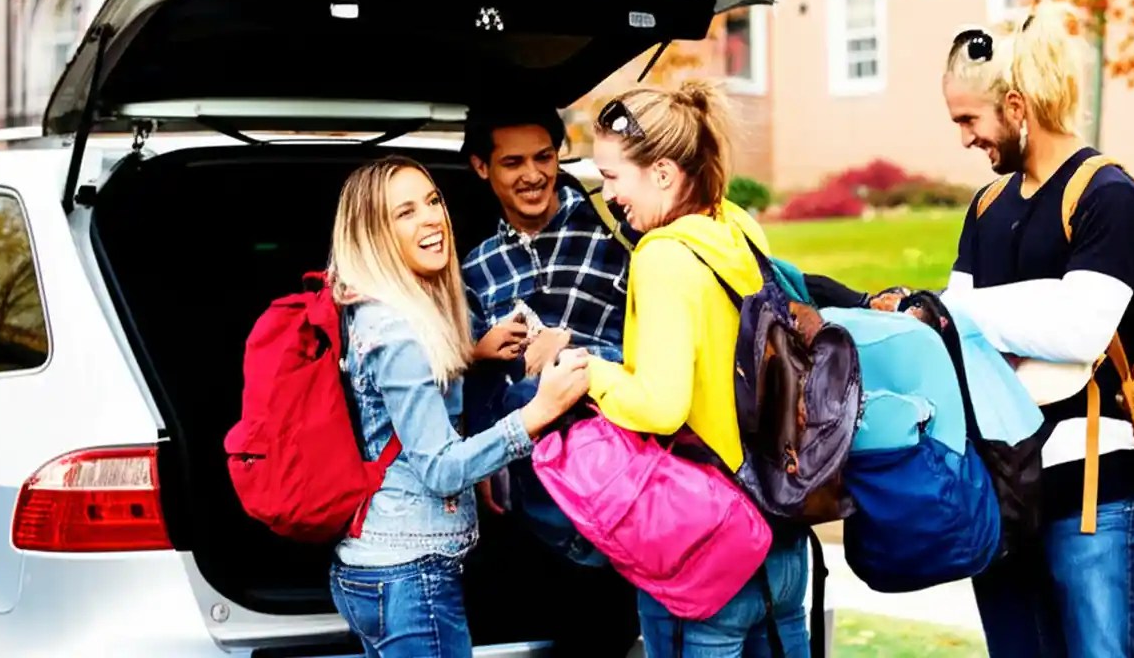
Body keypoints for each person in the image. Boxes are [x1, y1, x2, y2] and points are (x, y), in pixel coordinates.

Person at [939, 1, 1134, 657]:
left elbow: (1080, 330)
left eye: (969, 120)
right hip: (1003, 494)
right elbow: (950, 341)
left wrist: (971, 316)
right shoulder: (986, 209)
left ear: (1014, 106)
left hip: (1093, 492)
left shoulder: (1107, 194)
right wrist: (978, 321)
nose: (965, 139)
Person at [324, 155, 592, 658]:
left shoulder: (374, 311)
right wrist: (539, 411)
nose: (430, 218)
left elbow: (396, 405)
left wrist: (470, 352)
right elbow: (442, 469)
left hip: (380, 565)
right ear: (373, 234)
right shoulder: (399, 331)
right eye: (404, 213)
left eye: (432, 201)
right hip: (409, 572)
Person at [585, 80, 810, 656]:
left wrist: (589, 371)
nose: (608, 195)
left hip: (709, 548)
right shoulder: (736, 228)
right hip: (781, 536)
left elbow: (661, 404)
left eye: (612, 177)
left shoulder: (661, 257)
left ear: (662, 173)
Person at [456, 102, 643, 657]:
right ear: (481, 168)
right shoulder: (472, 267)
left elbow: (650, 353)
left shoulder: (616, 243)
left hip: (607, 488)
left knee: (598, 631)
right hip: (515, 490)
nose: (533, 175)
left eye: (544, 157)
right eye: (513, 162)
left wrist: (575, 351)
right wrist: (478, 451)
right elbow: (466, 378)